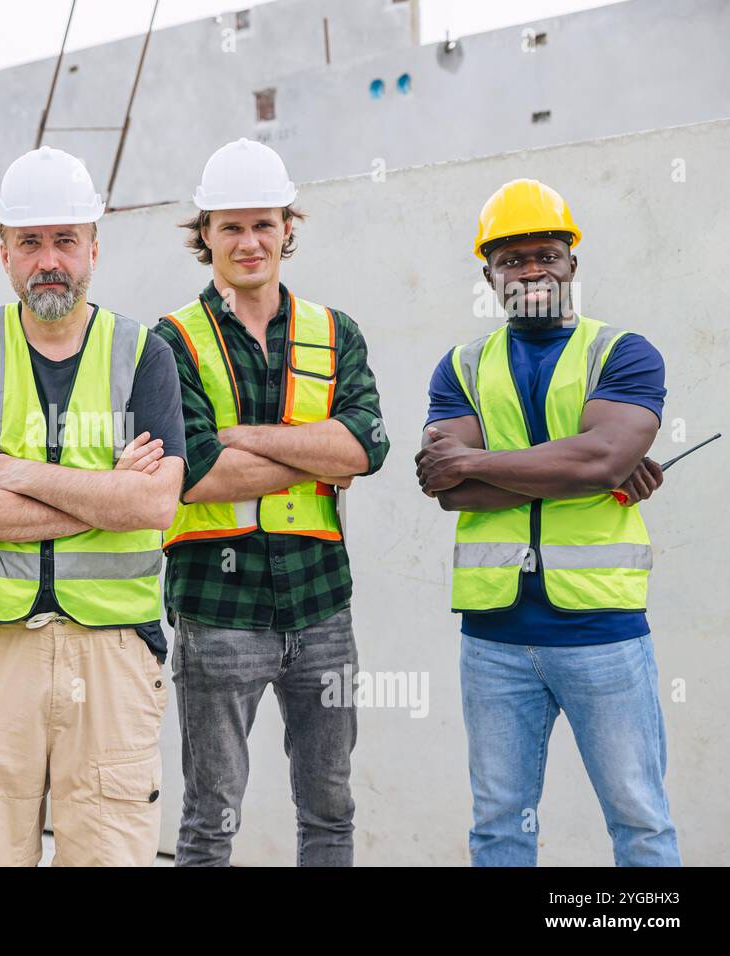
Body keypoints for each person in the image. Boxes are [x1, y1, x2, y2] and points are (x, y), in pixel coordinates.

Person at [0, 146, 185, 866]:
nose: (49, 260)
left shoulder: (145, 353)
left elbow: (159, 501)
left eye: (65, 240)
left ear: (94, 249)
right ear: (3, 252)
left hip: (114, 652)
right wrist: (109, 493)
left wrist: (11, 472)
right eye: (31, 242)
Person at [416, 178, 680, 866]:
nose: (530, 270)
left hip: (602, 634)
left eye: (545, 255)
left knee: (639, 821)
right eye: (512, 260)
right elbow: (449, 491)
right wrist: (575, 469)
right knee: (500, 826)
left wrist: (482, 462)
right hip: (494, 640)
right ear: (489, 274)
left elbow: (601, 457)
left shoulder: (621, 352)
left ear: (571, 262)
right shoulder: (462, 366)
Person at [155, 139, 389, 866]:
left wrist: (243, 437)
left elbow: (365, 449)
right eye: (230, 226)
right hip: (217, 610)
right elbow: (194, 473)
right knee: (210, 817)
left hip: (322, 605)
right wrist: (310, 452)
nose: (249, 241)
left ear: (289, 227)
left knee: (331, 809)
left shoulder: (334, 331)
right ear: (205, 237)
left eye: (264, 224)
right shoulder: (170, 341)